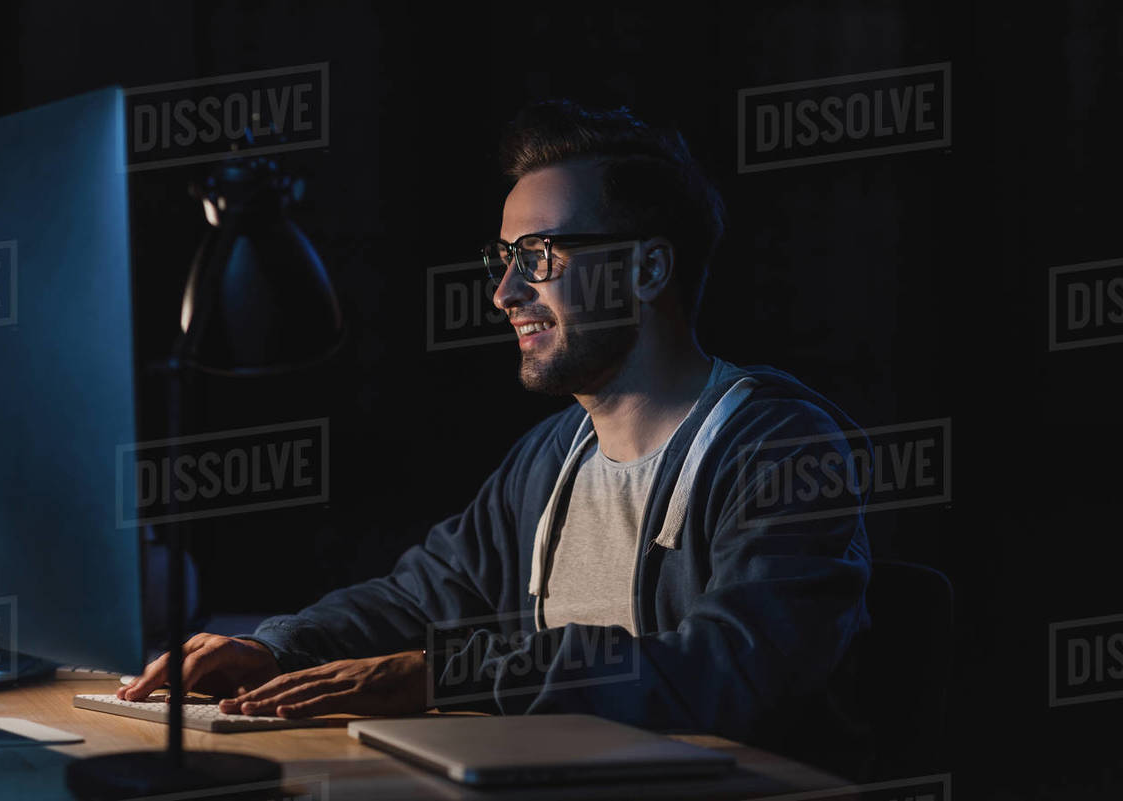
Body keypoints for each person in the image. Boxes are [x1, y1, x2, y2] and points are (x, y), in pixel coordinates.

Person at [120, 99, 872, 777]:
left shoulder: (779, 448)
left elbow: (726, 672)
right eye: (504, 260)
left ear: (646, 268)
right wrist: (275, 647)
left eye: (539, 256)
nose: (505, 293)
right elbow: (417, 600)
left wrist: (454, 671)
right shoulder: (552, 457)